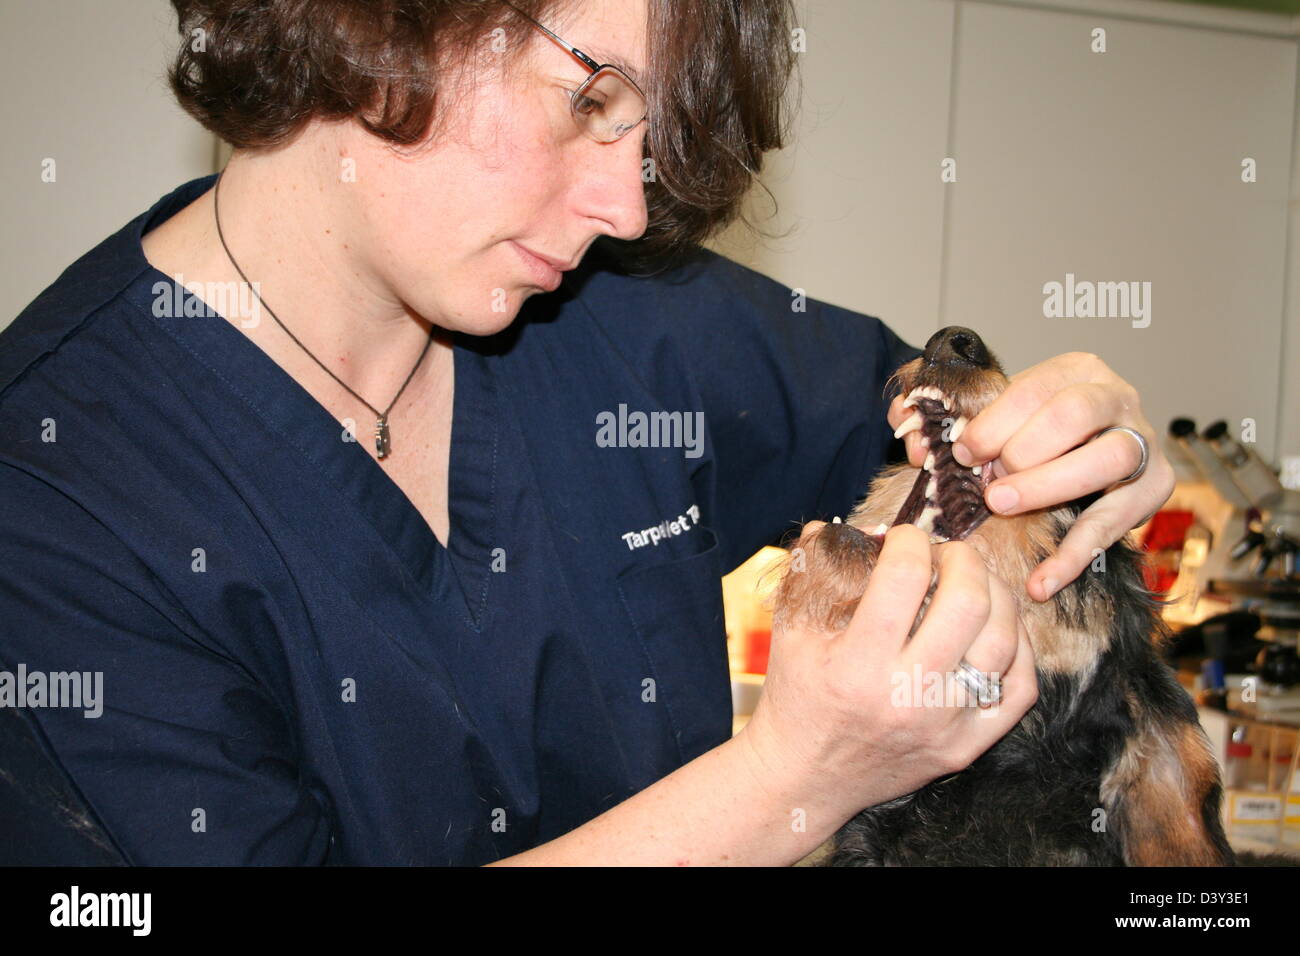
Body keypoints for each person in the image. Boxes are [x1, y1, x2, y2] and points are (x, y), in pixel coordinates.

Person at [0, 0, 1174, 865]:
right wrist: (792, 779)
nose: (623, 208)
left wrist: (1075, 431)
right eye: (589, 99)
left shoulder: (624, 316)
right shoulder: (59, 492)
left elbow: (920, 405)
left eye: (645, 138)